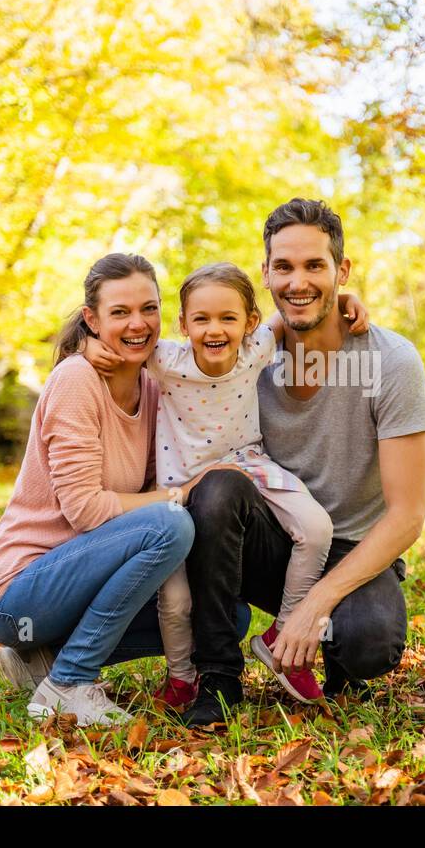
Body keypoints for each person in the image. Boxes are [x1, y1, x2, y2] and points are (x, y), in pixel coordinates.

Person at [179, 198, 425, 726]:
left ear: (341, 271)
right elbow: (155, 356)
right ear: (267, 274)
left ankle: (326, 644)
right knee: (217, 490)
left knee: (368, 643)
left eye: (315, 266)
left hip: (351, 552)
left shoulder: (391, 362)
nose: (299, 280)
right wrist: (87, 352)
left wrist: (314, 605)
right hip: (272, 543)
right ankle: (218, 677)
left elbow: (408, 516)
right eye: (284, 267)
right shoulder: (246, 355)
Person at [83, 262, 370, 707]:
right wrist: (86, 343)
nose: (214, 330)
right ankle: (181, 677)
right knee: (176, 602)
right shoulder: (164, 359)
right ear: (182, 325)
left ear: (250, 323)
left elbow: (299, 312)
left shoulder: (257, 348)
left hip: (248, 466)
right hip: (181, 487)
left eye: (228, 318)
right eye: (201, 319)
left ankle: (283, 634)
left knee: (316, 528)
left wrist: (345, 300)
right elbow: (121, 338)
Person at [0, 253, 216, 727]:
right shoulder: (75, 380)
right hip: (19, 592)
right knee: (170, 524)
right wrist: (180, 494)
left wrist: (333, 305)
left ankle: (40, 657)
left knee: (224, 617)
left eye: (149, 309)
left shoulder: (155, 385)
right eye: (120, 312)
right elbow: (86, 512)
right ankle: (68, 682)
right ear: (92, 320)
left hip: (78, 584)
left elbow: (238, 345)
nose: (138, 324)